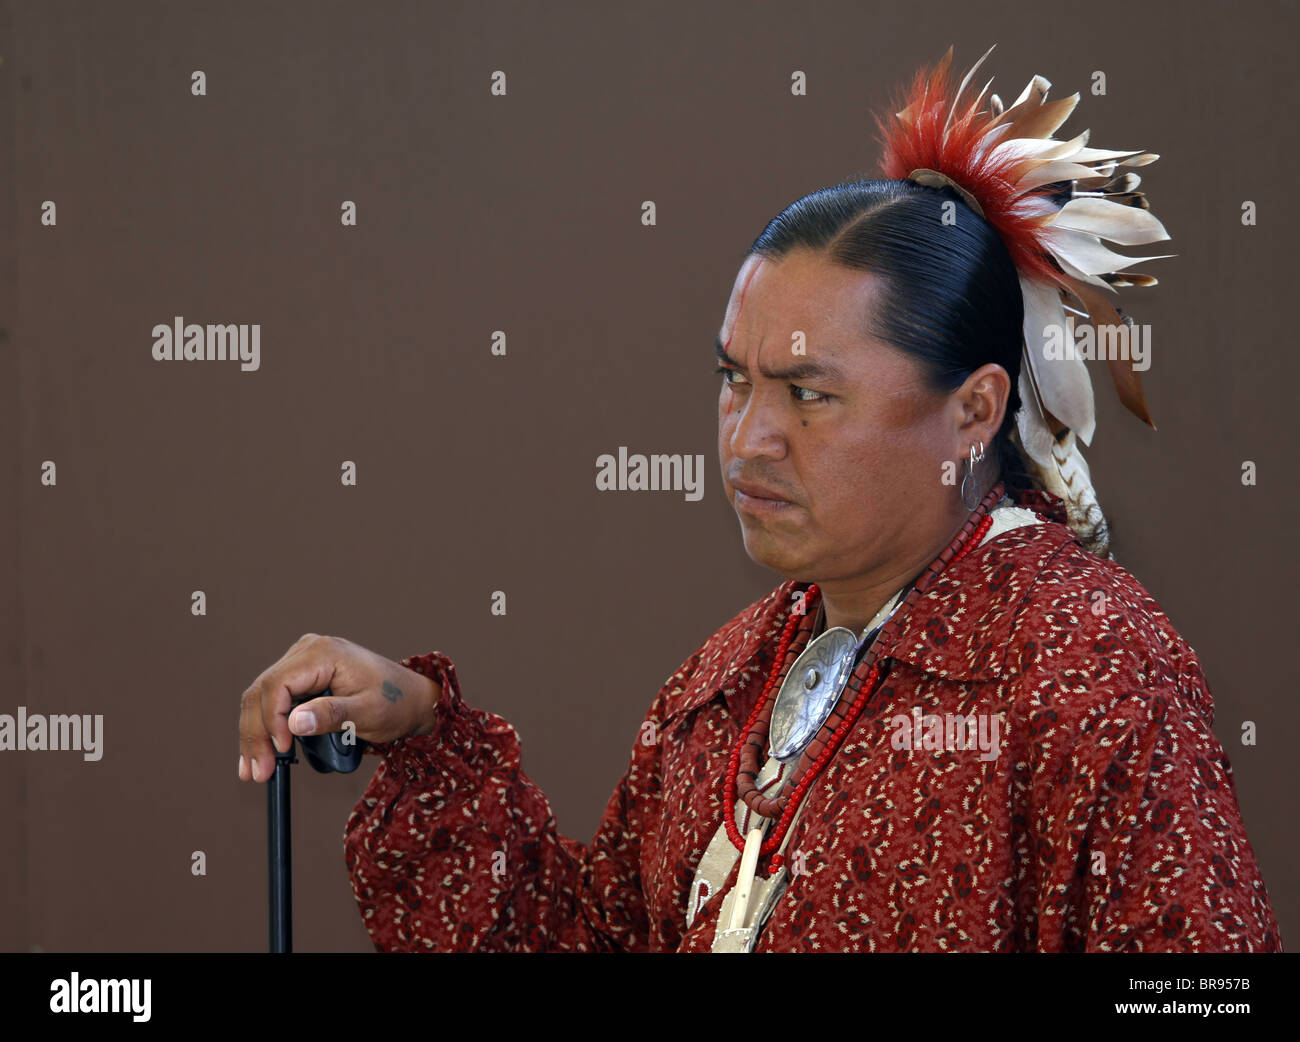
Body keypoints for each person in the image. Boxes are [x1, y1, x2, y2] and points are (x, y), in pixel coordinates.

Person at [236, 46, 1282, 952]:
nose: (748, 438)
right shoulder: (726, 679)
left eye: (807, 394)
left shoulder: (1088, 664)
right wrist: (420, 734)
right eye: (733, 378)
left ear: (972, 412)